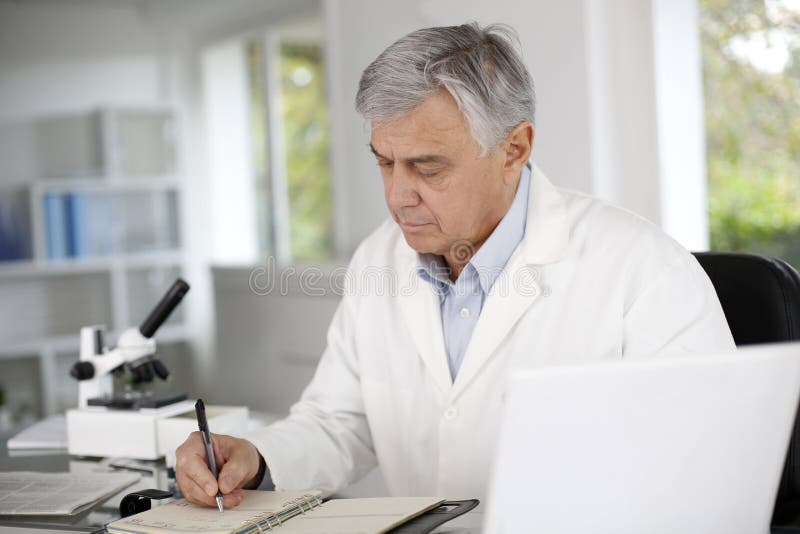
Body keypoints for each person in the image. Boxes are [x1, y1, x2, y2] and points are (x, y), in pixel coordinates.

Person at [175, 22, 735, 508]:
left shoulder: (641, 268)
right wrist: (256, 454)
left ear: (515, 148)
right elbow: (341, 421)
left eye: (428, 168)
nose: (398, 195)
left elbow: (708, 465)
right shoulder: (380, 258)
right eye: (385, 163)